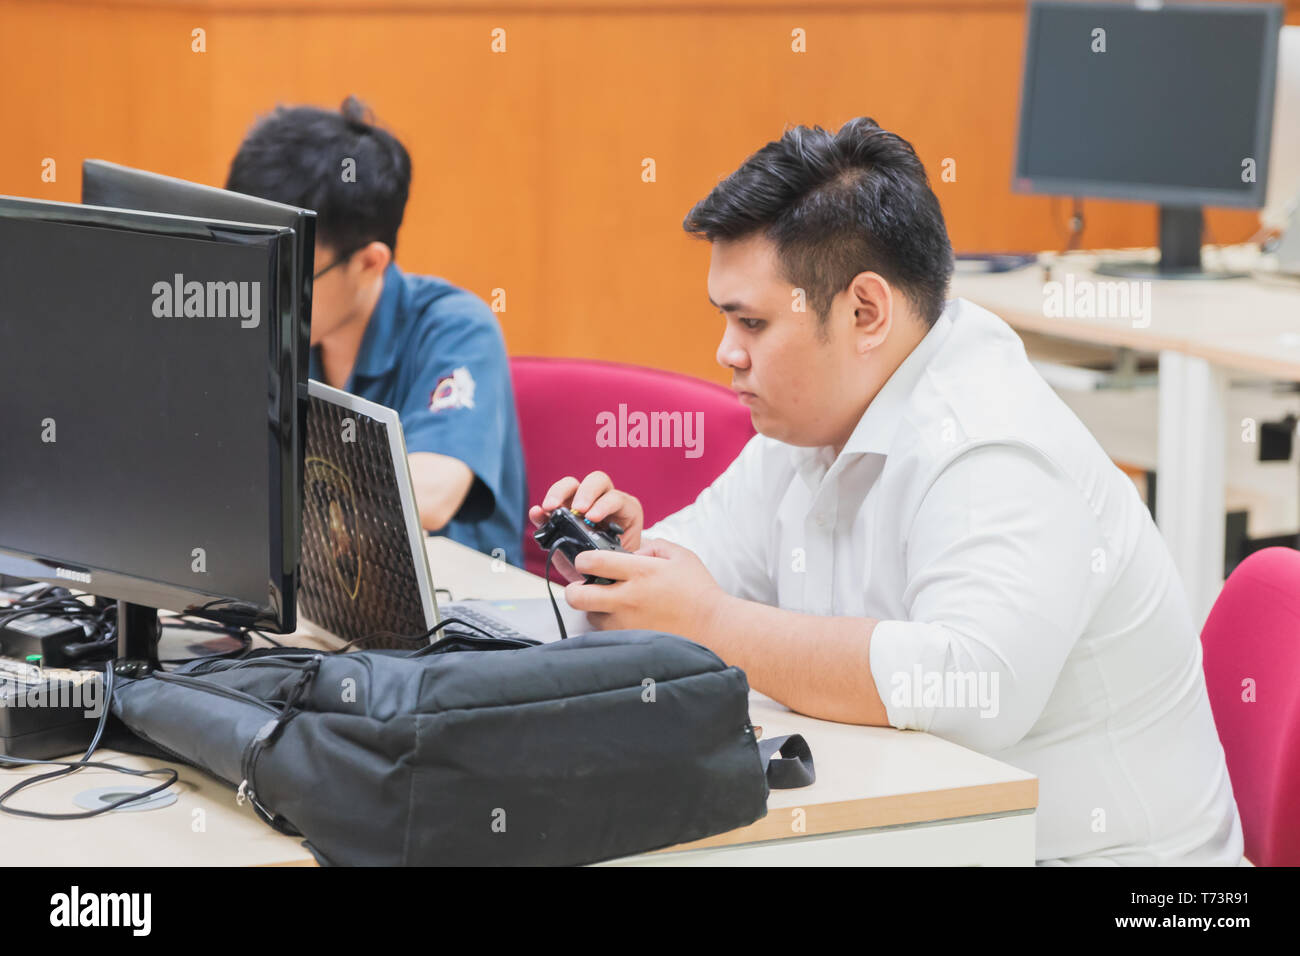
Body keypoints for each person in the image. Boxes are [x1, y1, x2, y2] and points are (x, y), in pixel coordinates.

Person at [530, 117, 1243, 865]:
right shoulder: (813, 419)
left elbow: (973, 688)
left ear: (865, 312)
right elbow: (705, 564)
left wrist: (707, 620)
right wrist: (626, 562)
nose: (726, 352)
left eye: (753, 322)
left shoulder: (991, 444)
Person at [227, 96, 526, 566]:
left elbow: (430, 495)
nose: (260, 293)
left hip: (453, 622)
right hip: (313, 602)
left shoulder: (457, 328)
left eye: (287, 276)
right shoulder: (269, 325)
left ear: (369, 263)